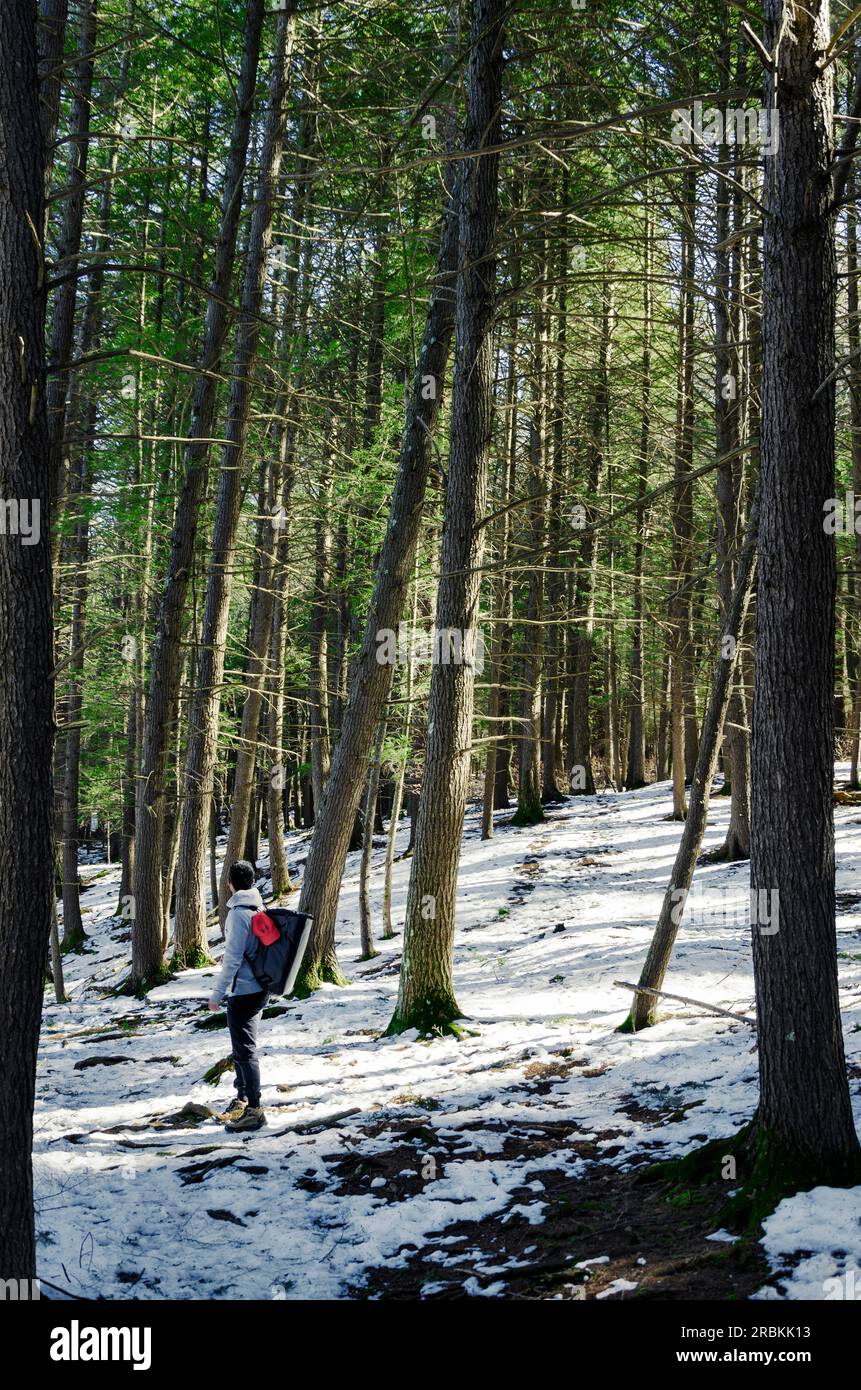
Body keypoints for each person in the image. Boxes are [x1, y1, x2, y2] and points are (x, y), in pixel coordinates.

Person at [208, 860, 269, 1132]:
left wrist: (217, 994)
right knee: (241, 1049)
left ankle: (255, 1110)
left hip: (244, 990)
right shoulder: (259, 907)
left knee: (245, 1051)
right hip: (260, 987)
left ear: (230, 883)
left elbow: (232, 959)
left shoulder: (237, 913)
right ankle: (242, 1100)